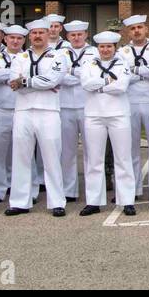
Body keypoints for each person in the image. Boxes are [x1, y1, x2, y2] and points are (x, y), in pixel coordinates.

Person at [6, 19, 70, 217]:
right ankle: (19, 202)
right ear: (29, 36)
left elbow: (53, 79)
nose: (38, 36)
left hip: (48, 111)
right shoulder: (20, 57)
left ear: (48, 33)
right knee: (21, 158)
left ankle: (57, 202)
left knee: (51, 158)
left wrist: (25, 81)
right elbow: (12, 82)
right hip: (23, 111)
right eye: (34, 33)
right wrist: (40, 83)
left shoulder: (58, 56)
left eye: (41, 32)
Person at [78, 31, 135, 216]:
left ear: (114, 48)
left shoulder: (122, 63)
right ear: (98, 48)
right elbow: (86, 84)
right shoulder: (88, 63)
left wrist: (99, 86)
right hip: (94, 115)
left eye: (109, 46)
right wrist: (107, 81)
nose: (105, 50)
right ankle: (94, 201)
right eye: (102, 46)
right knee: (94, 160)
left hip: (118, 114)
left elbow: (121, 86)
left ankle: (126, 201)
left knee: (123, 159)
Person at [117, 15, 149, 198]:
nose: (136, 31)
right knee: (130, 149)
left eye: (140, 27)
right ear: (128, 32)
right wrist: (145, 72)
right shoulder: (122, 52)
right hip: (129, 102)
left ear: (146, 29)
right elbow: (121, 75)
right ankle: (132, 189)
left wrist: (134, 71)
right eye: (132, 28)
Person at [0, 25, 26, 204]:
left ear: (24, 40)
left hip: (22, 109)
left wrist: (7, 75)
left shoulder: (29, 57)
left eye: (19, 38)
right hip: (1, 110)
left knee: (23, 152)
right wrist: (16, 76)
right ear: (5, 39)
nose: (15, 41)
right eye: (12, 38)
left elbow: (27, 75)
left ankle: (27, 188)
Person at [58, 21, 93, 203]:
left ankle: (92, 190)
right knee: (67, 151)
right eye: (73, 35)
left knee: (91, 151)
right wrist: (80, 75)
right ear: (67, 37)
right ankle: (69, 190)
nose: (76, 38)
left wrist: (70, 72)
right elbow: (58, 76)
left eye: (80, 34)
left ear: (86, 35)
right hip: (65, 106)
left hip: (88, 106)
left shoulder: (94, 52)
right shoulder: (60, 53)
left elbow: (91, 75)